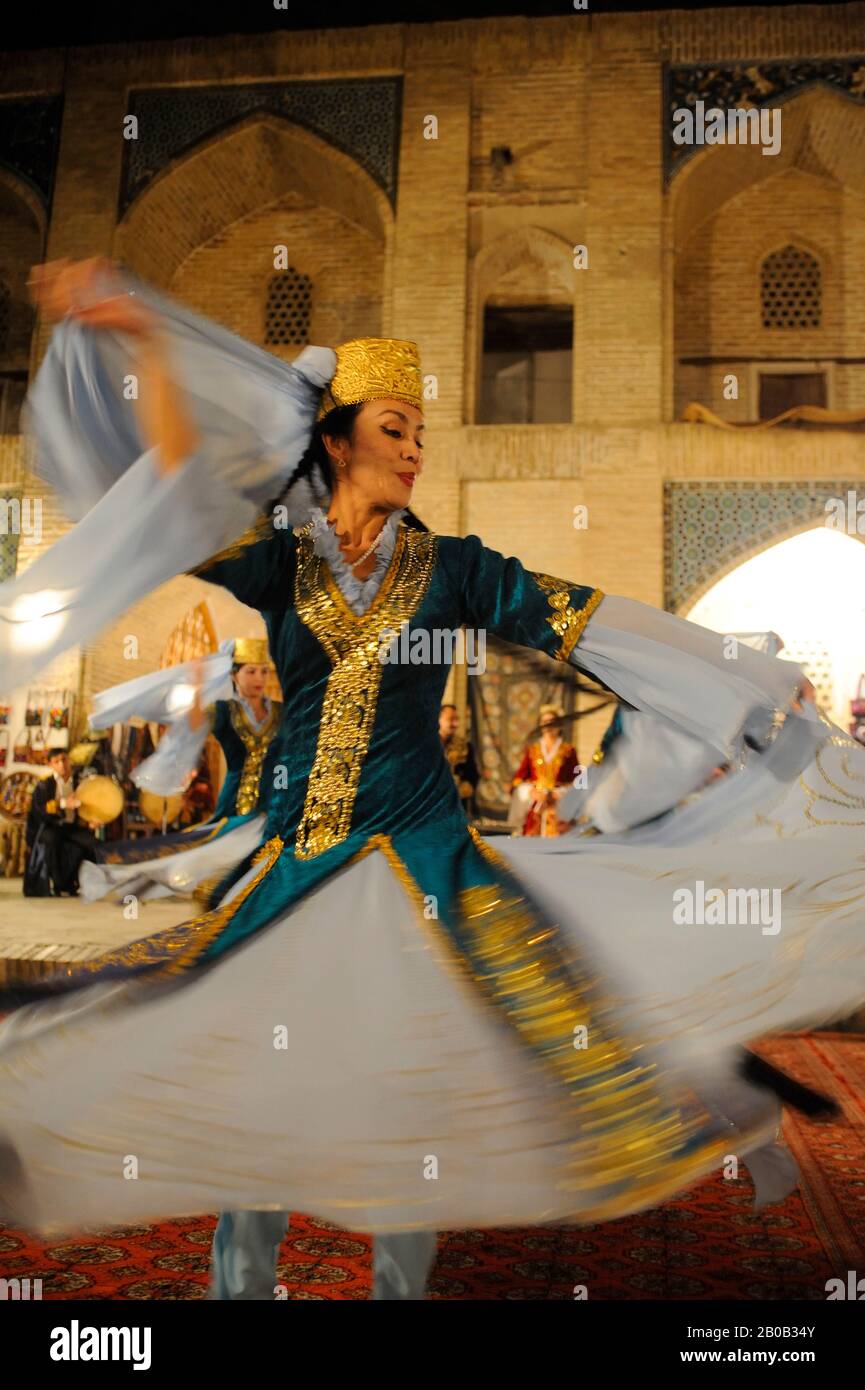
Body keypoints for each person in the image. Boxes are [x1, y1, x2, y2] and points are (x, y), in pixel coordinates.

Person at [0, 259, 863, 1301]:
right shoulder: (282, 560)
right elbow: (180, 484)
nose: (413, 451)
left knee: (423, 1095)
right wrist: (132, 323)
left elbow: (585, 617)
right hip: (296, 869)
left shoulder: (453, 567)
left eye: (421, 435)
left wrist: (744, 681)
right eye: (394, 428)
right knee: (249, 1082)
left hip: (425, 867)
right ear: (336, 438)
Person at [23, 750, 100, 896]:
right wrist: (63, 804)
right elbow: (41, 809)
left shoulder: (79, 783)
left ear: (69, 761)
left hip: (72, 827)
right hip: (51, 826)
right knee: (50, 841)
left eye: (64, 760)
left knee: (93, 844)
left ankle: (77, 883)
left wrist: (90, 822)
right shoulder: (45, 784)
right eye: (57, 761)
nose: (62, 764)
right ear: (51, 764)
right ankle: (56, 884)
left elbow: (87, 808)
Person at [509, 704, 579, 836]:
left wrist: (560, 793)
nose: (548, 726)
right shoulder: (532, 750)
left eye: (552, 722)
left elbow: (580, 782)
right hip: (535, 807)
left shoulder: (569, 751)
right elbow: (518, 779)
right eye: (544, 722)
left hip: (558, 808)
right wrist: (531, 791)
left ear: (559, 725)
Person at [438, 703, 479, 817]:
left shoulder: (465, 746)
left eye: (457, 719)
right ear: (439, 719)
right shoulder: (427, 744)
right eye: (451, 719)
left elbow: (472, 776)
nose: (455, 724)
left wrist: (455, 792)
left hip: (456, 803)